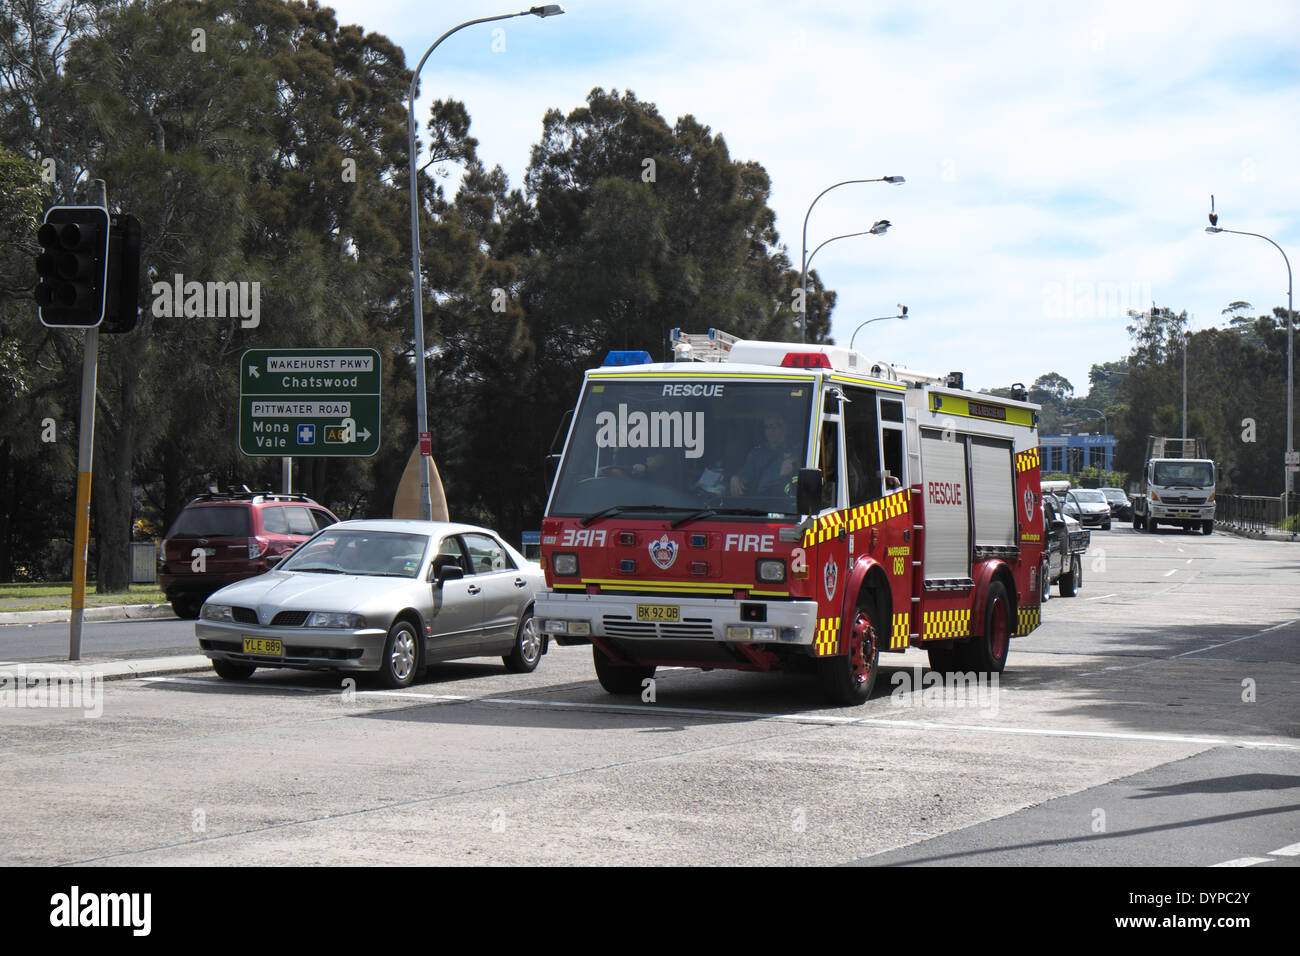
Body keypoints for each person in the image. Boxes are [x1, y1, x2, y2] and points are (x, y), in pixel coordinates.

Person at [730, 415, 798, 495]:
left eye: (777, 425)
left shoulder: (796, 448)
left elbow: (805, 459)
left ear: (786, 428)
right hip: (763, 501)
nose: (771, 430)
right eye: (768, 427)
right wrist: (736, 478)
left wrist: (793, 459)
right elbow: (745, 476)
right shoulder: (756, 453)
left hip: (784, 499)